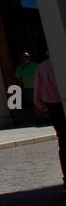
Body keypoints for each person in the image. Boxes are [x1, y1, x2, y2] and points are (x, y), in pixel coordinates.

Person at [33, 56, 65, 186]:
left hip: (54, 108)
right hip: (57, 105)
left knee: (63, 142)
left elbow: (37, 93)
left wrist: (42, 109)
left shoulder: (42, 67)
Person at [14, 51, 39, 126]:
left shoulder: (35, 65)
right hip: (27, 88)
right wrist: (20, 88)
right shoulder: (20, 67)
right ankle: (36, 119)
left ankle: (42, 117)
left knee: (39, 103)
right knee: (31, 104)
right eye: (25, 57)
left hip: (37, 87)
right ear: (23, 58)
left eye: (28, 57)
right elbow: (18, 78)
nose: (27, 58)